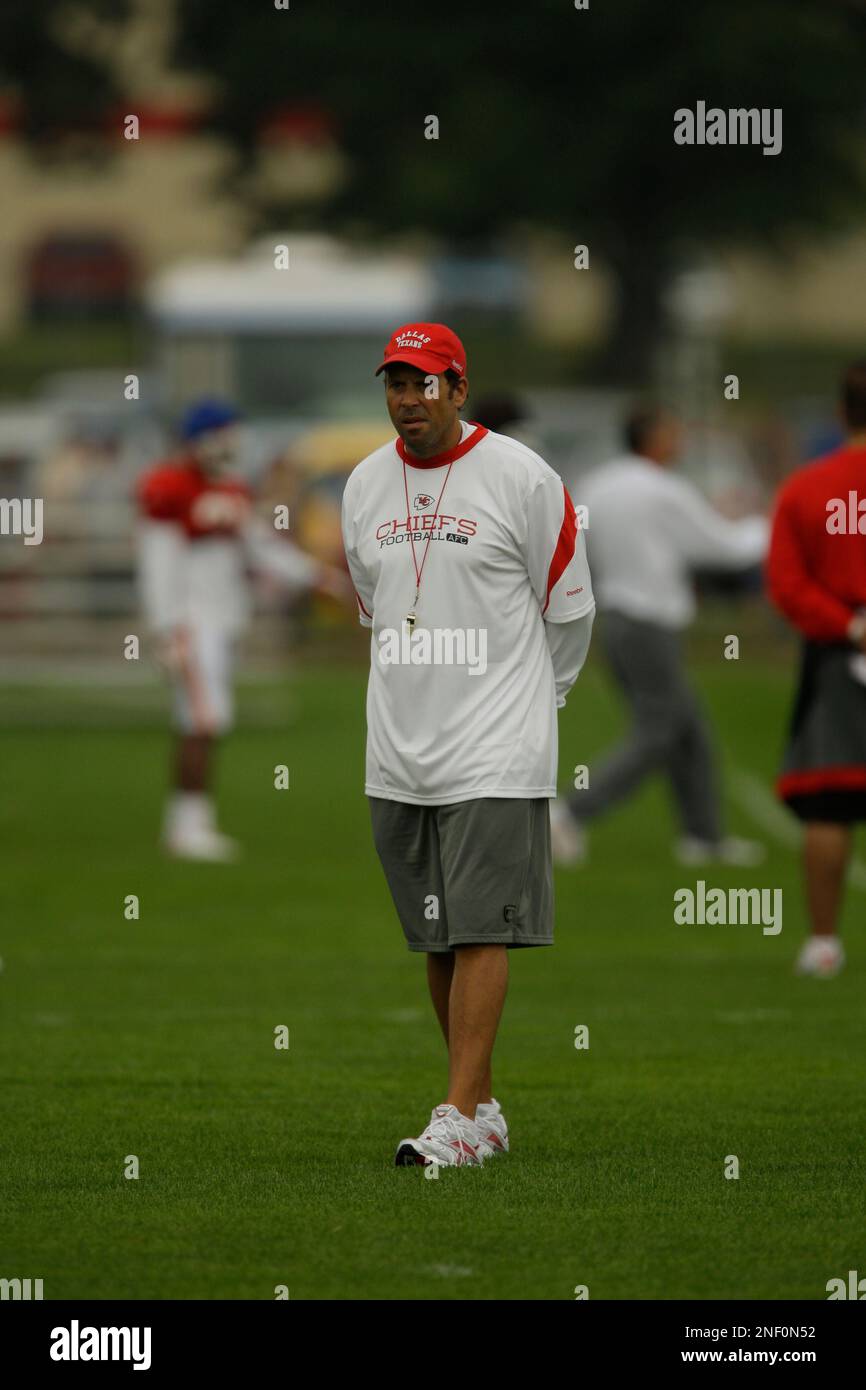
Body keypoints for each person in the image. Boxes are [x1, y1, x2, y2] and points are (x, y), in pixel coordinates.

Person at [341, 322, 595, 1168]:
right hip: (399, 747)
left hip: (497, 742)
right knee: (439, 934)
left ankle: (454, 1115)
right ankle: (481, 1107)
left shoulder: (521, 476)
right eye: (394, 384)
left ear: (458, 386)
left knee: (484, 926)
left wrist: (535, 702)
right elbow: (373, 610)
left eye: (422, 384)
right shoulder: (363, 485)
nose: (406, 401)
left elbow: (569, 608)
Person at [550, 404, 767, 867]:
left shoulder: (598, 484)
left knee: (690, 732)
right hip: (650, 623)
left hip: (615, 621)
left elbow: (574, 547)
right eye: (672, 432)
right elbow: (723, 548)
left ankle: (703, 839)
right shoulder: (665, 489)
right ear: (652, 438)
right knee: (659, 733)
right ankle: (569, 812)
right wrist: (771, 528)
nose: (680, 441)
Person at [137, 397, 351, 861]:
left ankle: (189, 823)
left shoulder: (231, 488)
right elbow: (158, 563)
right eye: (223, 434)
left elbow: (261, 548)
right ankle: (187, 828)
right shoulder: (169, 486)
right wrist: (165, 628)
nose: (231, 444)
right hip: (190, 623)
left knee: (205, 721)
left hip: (221, 620)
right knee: (201, 720)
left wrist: (319, 576)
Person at [766, 362, 866, 978]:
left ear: (840, 412)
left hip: (837, 655)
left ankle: (823, 942)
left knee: (830, 801)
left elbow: (785, 583)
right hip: (843, 642)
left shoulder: (806, 486)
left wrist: (849, 624)